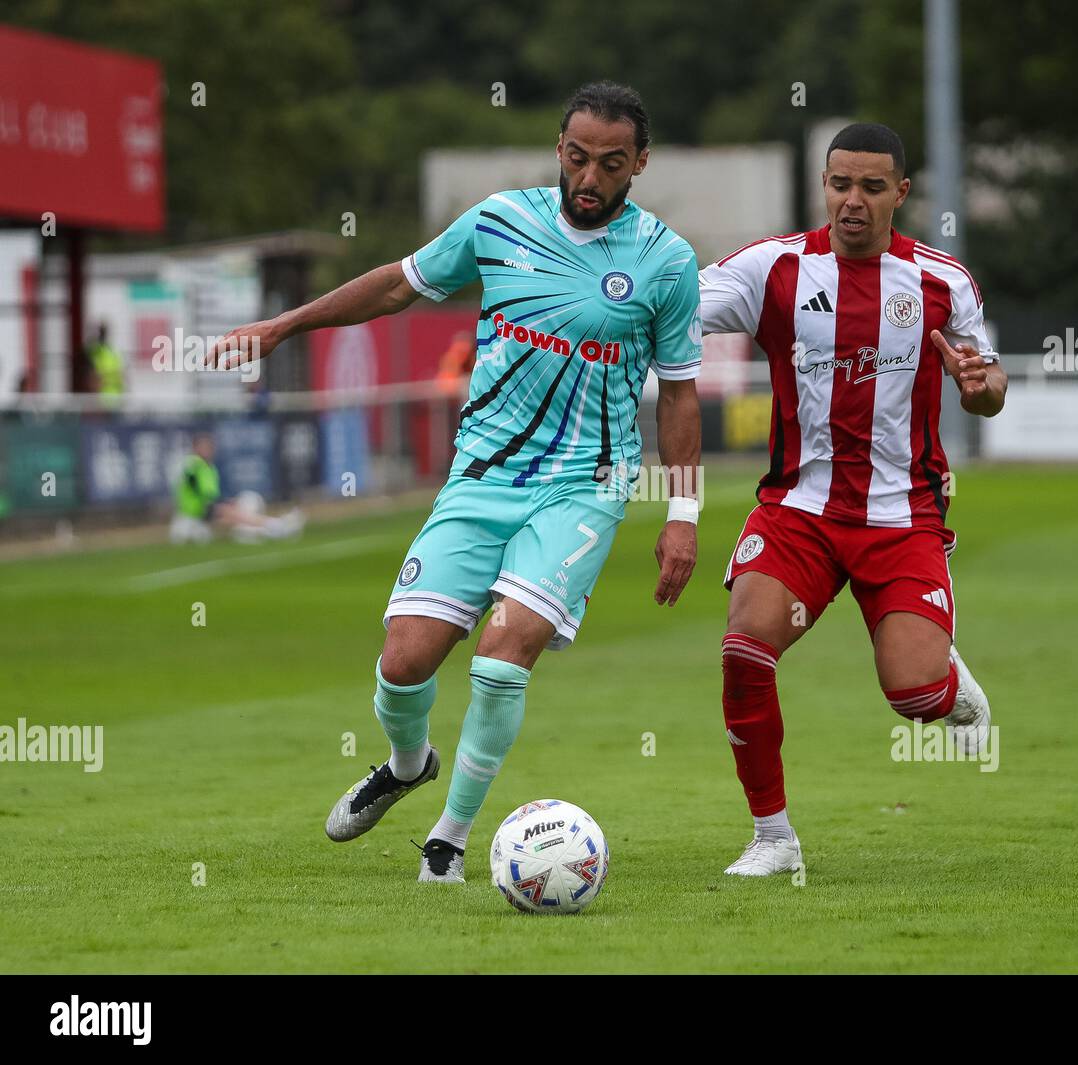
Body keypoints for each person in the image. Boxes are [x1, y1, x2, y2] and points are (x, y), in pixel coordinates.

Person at [206, 81, 702, 884]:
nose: (589, 177)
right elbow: (400, 282)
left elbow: (678, 392)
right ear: (559, 150)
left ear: (639, 163)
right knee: (404, 663)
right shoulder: (500, 220)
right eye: (577, 157)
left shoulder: (667, 263)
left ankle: (451, 838)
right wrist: (283, 325)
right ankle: (407, 765)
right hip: (481, 476)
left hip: (586, 484)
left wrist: (682, 512)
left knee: (504, 657)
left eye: (611, 164)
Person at [698, 122, 1007, 876]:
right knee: (745, 649)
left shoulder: (941, 281)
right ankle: (774, 837)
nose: (853, 202)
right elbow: (671, 311)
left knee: (912, 696)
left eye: (872, 187)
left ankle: (945, 684)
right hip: (798, 510)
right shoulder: (772, 268)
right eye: (840, 184)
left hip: (902, 519)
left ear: (901, 192)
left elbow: (990, 385)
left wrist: (982, 387)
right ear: (824, 187)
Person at [170, 432, 304, 544]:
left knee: (238, 509)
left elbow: (210, 493)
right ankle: (276, 526)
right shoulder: (193, 465)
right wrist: (221, 502)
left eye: (210, 446)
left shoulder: (208, 466)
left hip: (204, 507)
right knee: (230, 511)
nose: (209, 450)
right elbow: (198, 490)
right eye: (205, 446)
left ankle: (271, 527)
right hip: (196, 509)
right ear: (196, 448)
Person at [86, 322, 125, 397]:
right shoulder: (94, 352)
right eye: (101, 332)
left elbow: (120, 377)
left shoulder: (112, 353)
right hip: (99, 398)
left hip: (113, 397)